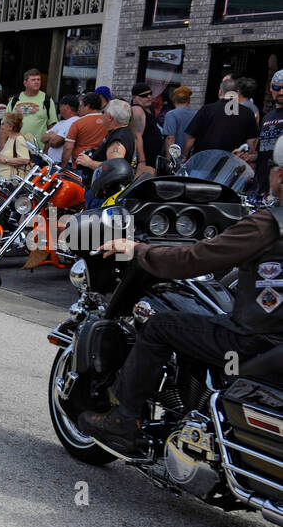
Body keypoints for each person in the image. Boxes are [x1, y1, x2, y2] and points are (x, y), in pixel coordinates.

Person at [79, 138, 283, 454]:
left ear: (280, 176)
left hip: (256, 341)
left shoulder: (268, 224)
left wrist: (139, 249)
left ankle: (123, 420)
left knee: (161, 326)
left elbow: (195, 259)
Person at [184, 77, 258, 157]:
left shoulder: (207, 109)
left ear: (220, 92)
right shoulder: (248, 113)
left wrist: (184, 157)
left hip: (203, 162)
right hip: (231, 164)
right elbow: (251, 142)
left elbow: (191, 138)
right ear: (237, 93)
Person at [76, 99, 135, 179]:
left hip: (106, 188)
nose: (102, 115)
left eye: (104, 112)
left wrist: (89, 163)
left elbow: (114, 167)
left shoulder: (117, 139)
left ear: (110, 117)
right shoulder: (124, 130)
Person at [249, 71, 283, 199]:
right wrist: (249, 157)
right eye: (277, 88)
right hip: (263, 184)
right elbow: (262, 151)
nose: (281, 92)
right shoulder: (267, 117)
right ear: (271, 87)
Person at [5, 67, 57, 149]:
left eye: (38, 79)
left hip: (37, 151)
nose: (37, 82)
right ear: (25, 83)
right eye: (33, 80)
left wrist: (47, 150)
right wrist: (2, 149)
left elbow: (52, 128)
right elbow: (4, 127)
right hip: (15, 149)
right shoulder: (14, 100)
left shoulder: (47, 100)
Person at [65, 92, 108, 168]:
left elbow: (68, 147)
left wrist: (63, 167)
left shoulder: (77, 123)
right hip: (100, 165)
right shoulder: (108, 122)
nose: (79, 109)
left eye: (81, 106)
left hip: (80, 165)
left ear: (87, 106)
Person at [129, 83, 163, 173]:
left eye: (150, 94)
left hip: (153, 156)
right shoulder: (137, 110)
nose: (149, 97)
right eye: (144, 95)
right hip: (146, 157)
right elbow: (137, 137)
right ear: (134, 97)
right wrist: (141, 161)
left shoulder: (149, 108)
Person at [42, 94, 80, 165]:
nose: (59, 108)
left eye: (60, 106)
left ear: (67, 107)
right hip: (51, 163)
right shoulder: (61, 122)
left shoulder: (74, 122)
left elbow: (55, 142)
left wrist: (51, 136)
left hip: (60, 164)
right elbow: (43, 138)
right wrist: (54, 136)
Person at [0, 112, 32, 179]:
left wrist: (4, 160)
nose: (1, 126)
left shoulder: (19, 139)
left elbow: (25, 160)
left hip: (10, 181)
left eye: (3, 124)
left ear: (10, 127)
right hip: (3, 179)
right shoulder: (11, 138)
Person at [161, 86, 196, 160]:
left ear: (174, 99)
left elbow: (170, 138)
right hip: (191, 158)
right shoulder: (197, 114)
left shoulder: (171, 114)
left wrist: (168, 160)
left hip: (176, 158)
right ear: (189, 100)